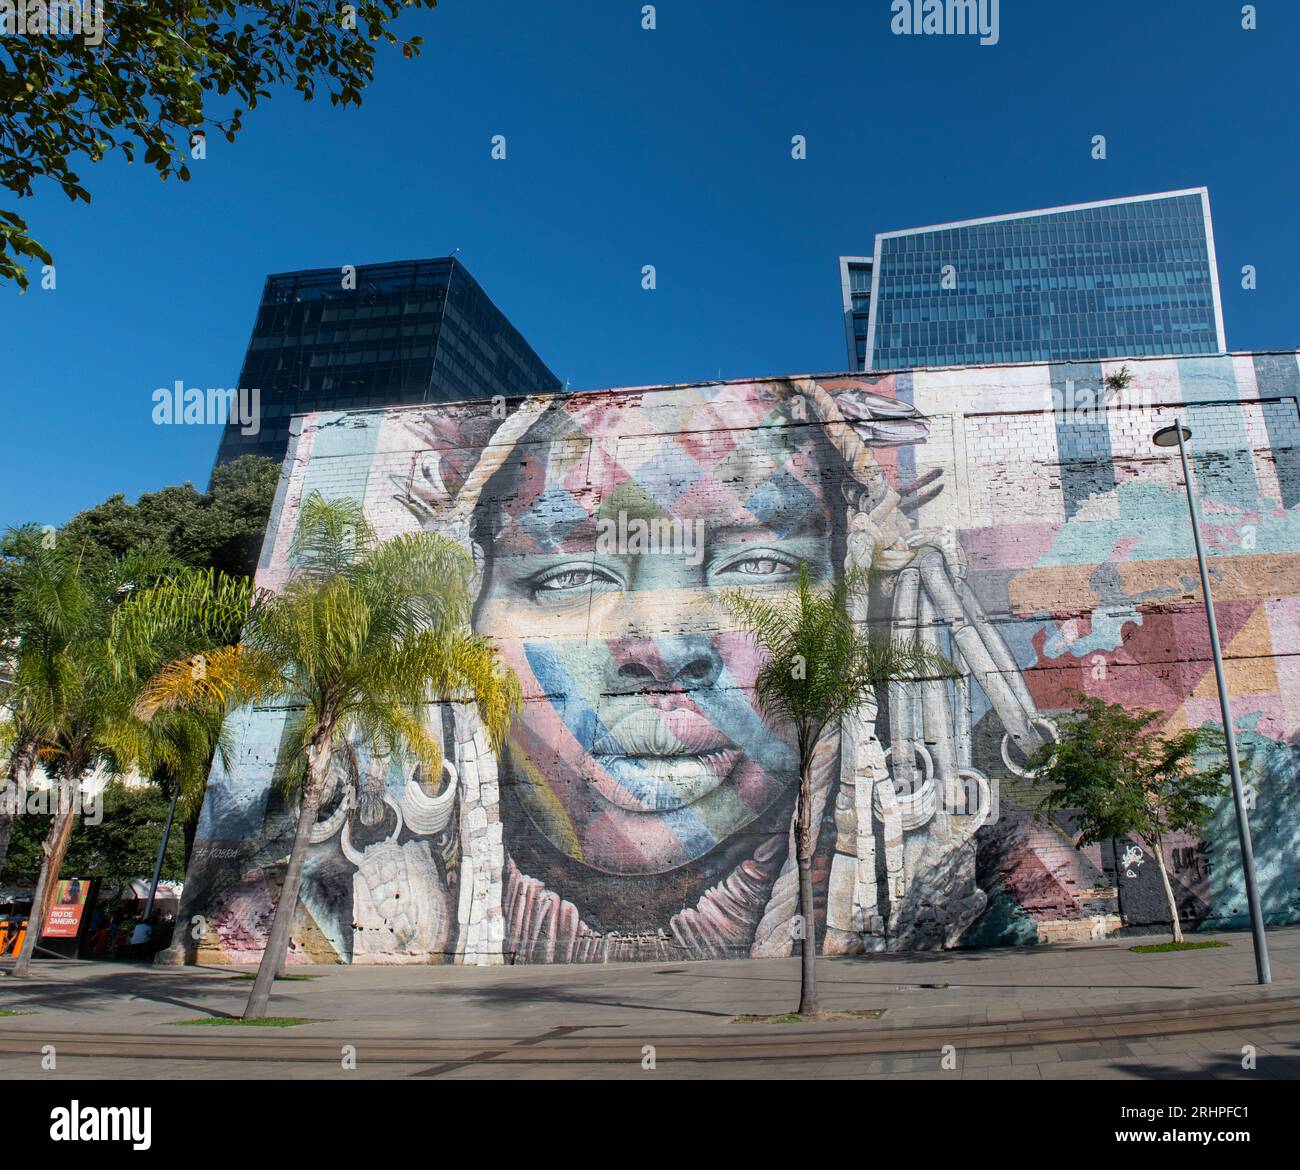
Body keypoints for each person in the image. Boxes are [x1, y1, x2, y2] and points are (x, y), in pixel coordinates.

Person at [303, 376, 1053, 962]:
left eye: (759, 563)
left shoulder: (1001, 895)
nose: (660, 650)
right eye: (567, 577)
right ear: (463, 614)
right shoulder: (319, 909)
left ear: (860, 596)